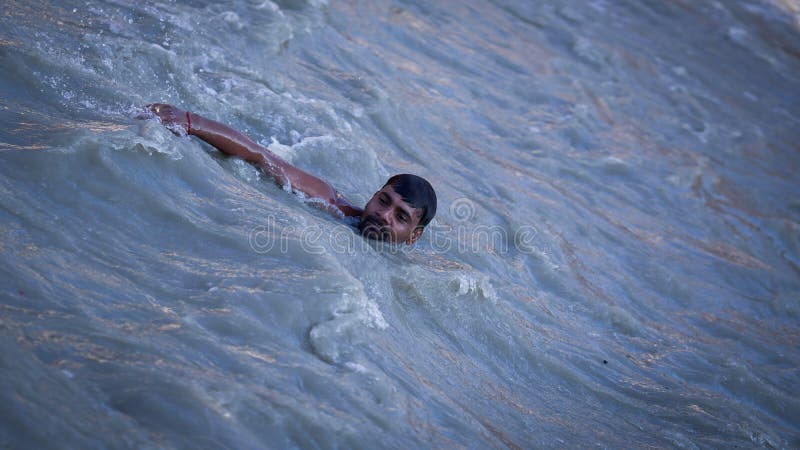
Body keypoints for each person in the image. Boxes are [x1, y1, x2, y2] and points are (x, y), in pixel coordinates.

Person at [144, 104, 437, 245]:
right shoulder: (332, 206)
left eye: (401, 217)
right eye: (384, 201)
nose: (384, 215)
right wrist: (190, 122)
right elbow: (262, 156)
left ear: (414, 237)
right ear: (373, 196)